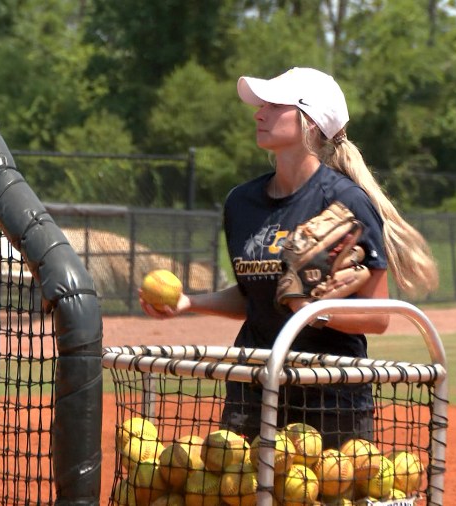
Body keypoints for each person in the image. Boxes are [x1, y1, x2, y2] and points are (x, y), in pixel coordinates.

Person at [140, 67, 439, 447]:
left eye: (273, 105)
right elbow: (256, 295)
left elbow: (378, 318)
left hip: (330, 394)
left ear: (309, 122)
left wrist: (311, 309)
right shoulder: (241, 203)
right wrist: (189, 303)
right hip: (254, 386)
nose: (258, 113)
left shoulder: (344, 202)